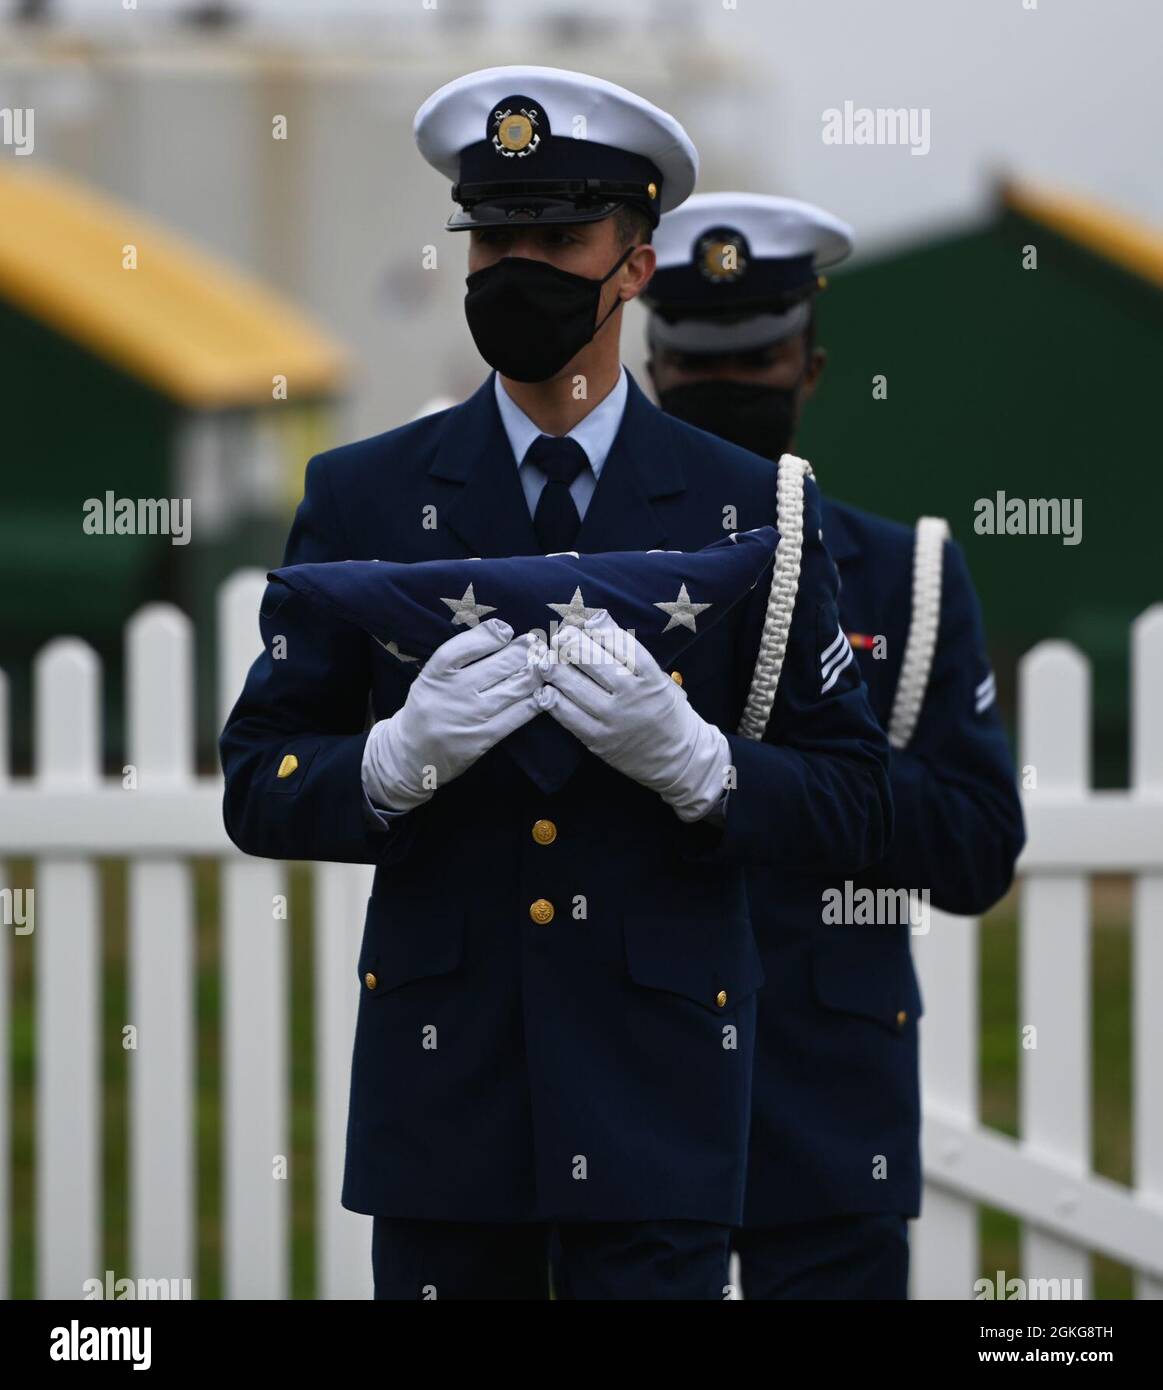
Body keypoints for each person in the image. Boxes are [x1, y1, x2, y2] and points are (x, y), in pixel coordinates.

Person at [219, 74, 892, 1301]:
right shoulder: (363, 495)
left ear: (634, 264)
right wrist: (381, 766)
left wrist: (702, 768)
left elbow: (852, 798)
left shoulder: (755, 505)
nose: (515, 267)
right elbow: (259, 777)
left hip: (657, 1114)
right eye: (493, 237)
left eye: (557, 239)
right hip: (444, 1113)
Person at [645, 191, 1026, 1298]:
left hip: (828, 1115)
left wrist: (764, 782)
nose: (725, 388)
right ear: (651, 367)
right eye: (698, 361)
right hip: (622, 1095)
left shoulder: (903, 576)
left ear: (810, 370)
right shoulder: (582, 562)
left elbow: (973, 844)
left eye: (756, 359)